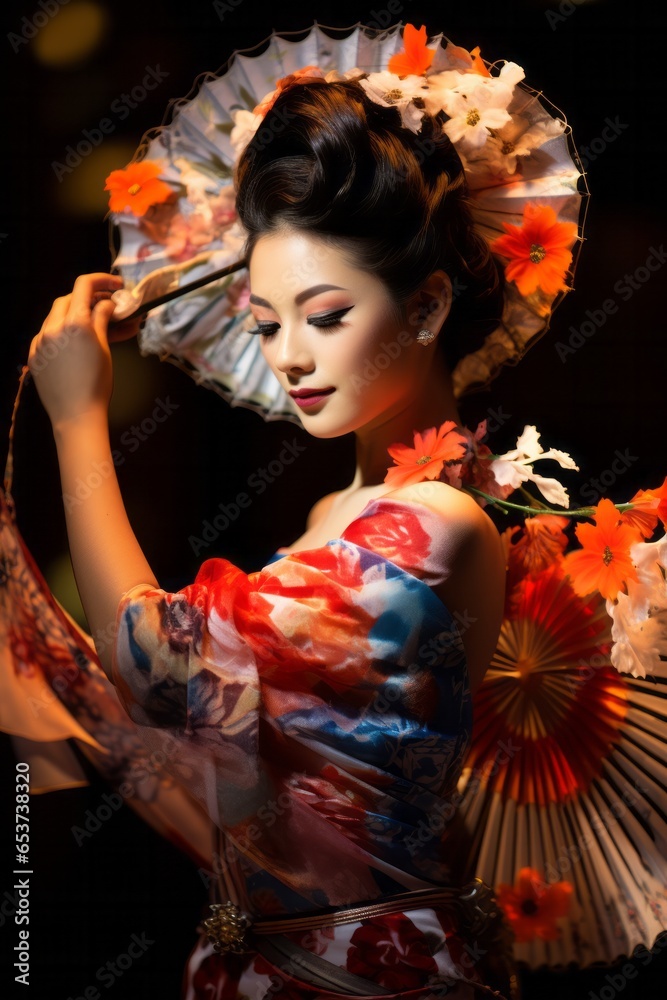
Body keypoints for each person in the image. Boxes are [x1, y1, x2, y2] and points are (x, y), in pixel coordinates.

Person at [3, 24, 592, 1000]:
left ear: (428, 306)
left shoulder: (438, 522)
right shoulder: (336, 513)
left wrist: (77, 422)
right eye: (265, 321)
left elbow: (163, 668)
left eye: (324, 316)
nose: (290, 357)